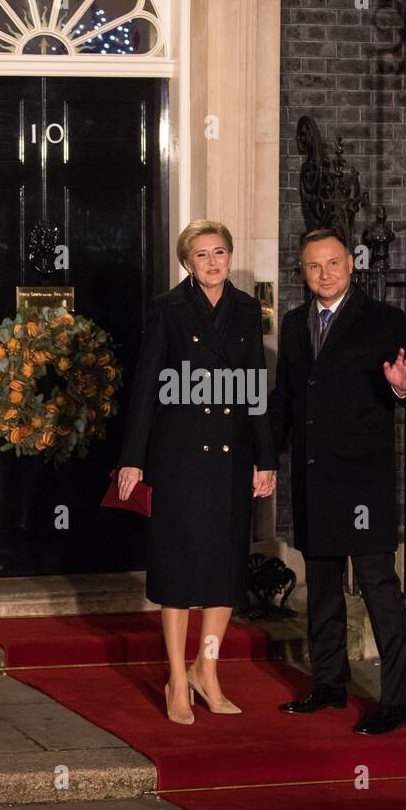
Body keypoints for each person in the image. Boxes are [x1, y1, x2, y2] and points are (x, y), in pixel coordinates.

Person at [117, 220, 277, 724]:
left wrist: (266, 458)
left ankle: (205, 671)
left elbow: (256, 388)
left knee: (223, 571)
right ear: (188, 263)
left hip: (230, 457)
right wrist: (132, 458)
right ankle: (175, 679)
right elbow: (145, 387)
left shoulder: (248, 311)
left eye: (220, 253)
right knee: (180, 569)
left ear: (230, 258)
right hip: (179, 457)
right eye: (202, 255)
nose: (213, 262)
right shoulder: (168, 308)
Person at [269, 228, 406, 734]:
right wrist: (266, 460)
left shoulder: (384, 321)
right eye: (313, 266)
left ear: (351, 264)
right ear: (303, 271)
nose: (324, 274)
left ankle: (397, 703)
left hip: (364, 482)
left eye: (332, 263)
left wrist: (404, 388)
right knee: (321, 589)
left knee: (380, 590)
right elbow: (286, 402)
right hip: (315, 479)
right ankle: (329, 685)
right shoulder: (294, 325)